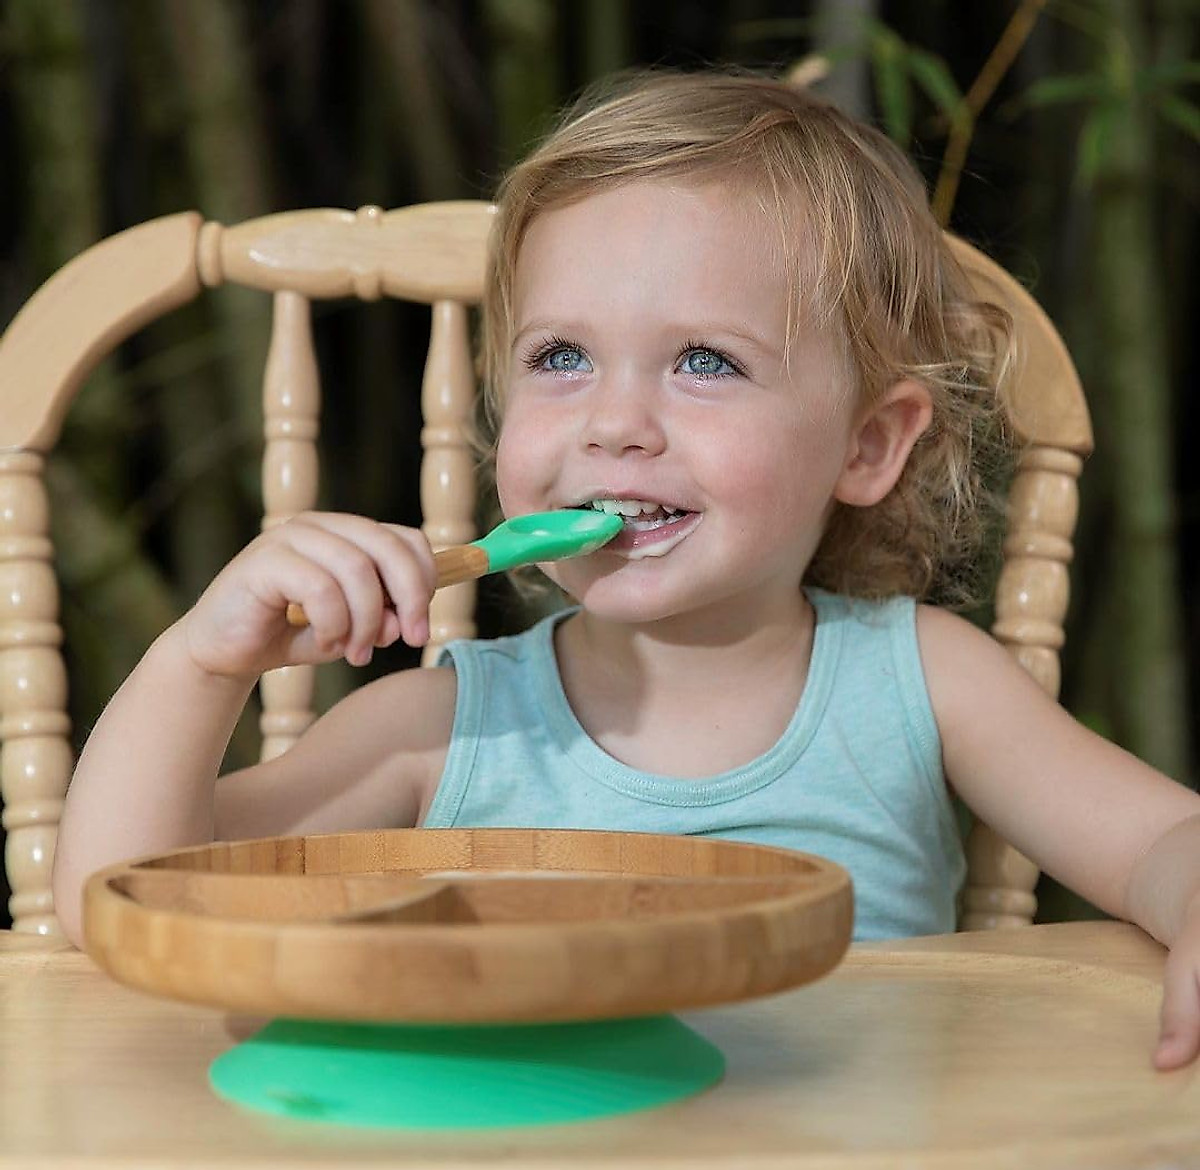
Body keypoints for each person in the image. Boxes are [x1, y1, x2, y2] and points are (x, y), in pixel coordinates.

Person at [53, 68, 1200, 1070]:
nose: (613, 423)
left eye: (704, 360)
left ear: (865, 444)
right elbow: (123, 896)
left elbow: (1158, 842)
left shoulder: (920, 684)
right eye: (560, 357)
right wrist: (202, 664)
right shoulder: (441, 729)